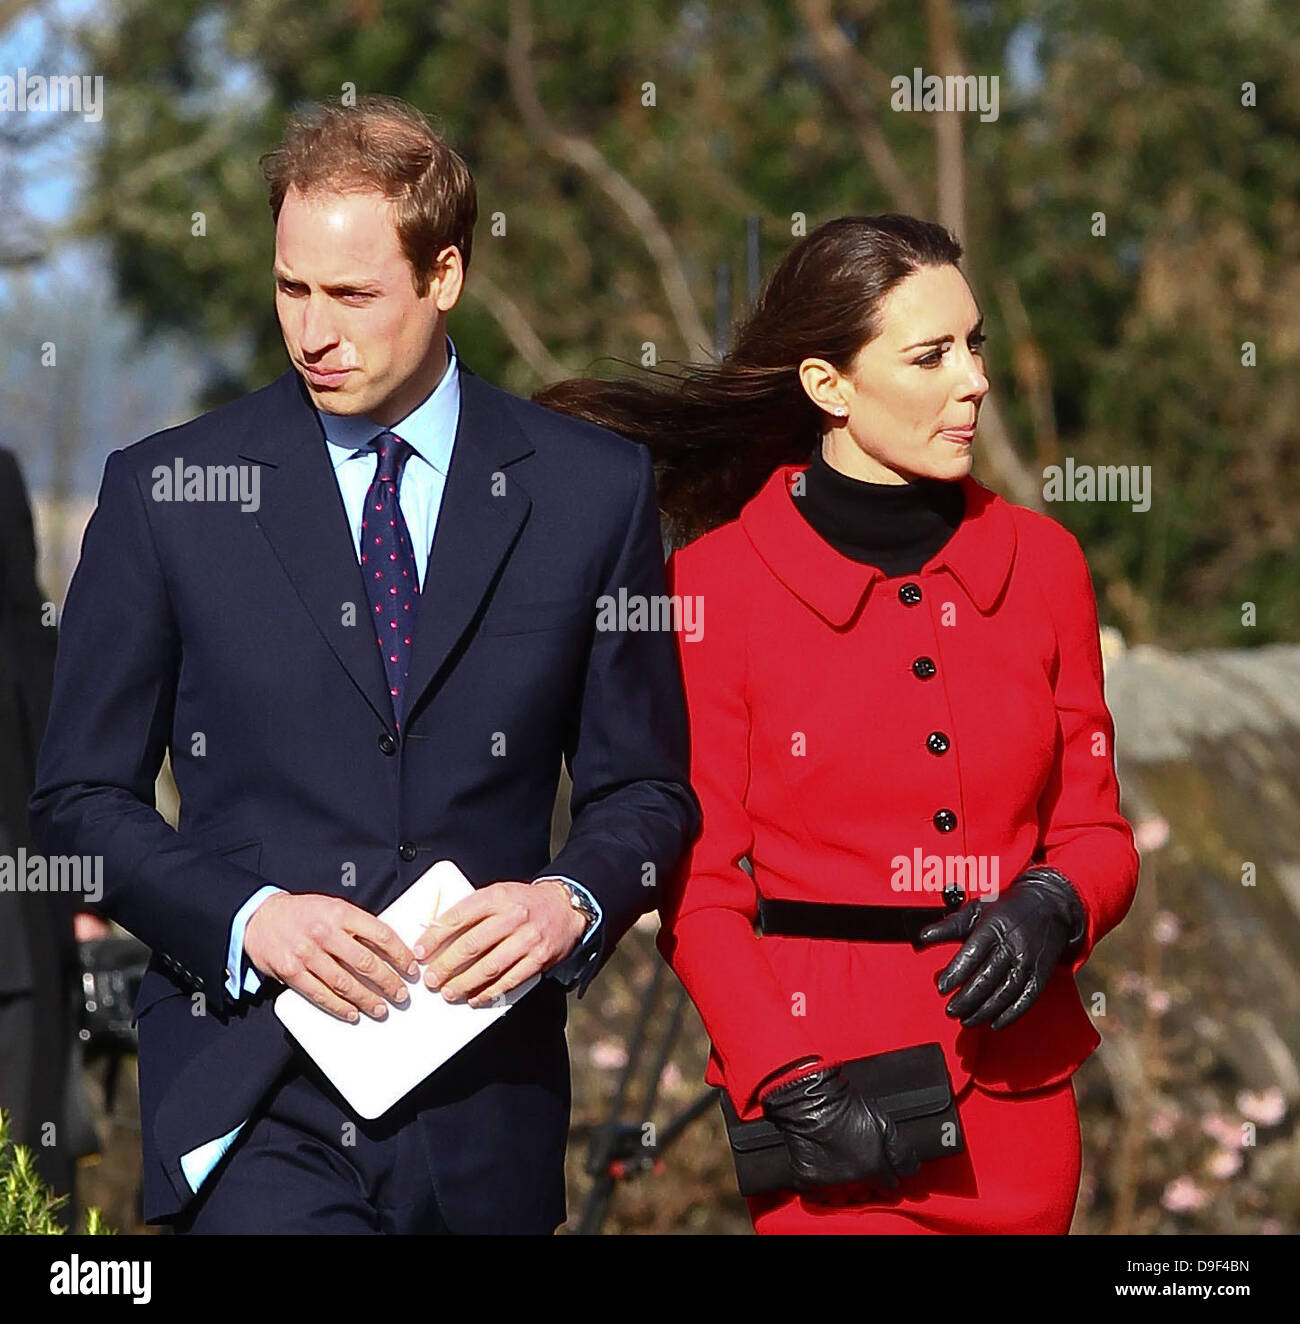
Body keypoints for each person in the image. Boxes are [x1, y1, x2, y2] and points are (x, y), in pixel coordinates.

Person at [29, 94, 699, 1235]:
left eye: (351, 295)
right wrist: (250, 920)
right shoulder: (168, 493)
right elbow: (77, 803)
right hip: (254, 1090)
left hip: (488, 1109)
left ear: (445, 275)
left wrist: (567, 902)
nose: (311, 332)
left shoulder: (593, 492)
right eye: (291, 288)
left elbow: (646, 789)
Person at [536, 214, 1140, 1234]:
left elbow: (1096, 833)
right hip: (830, 1107)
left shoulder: (1045, 565)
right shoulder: (713, 591)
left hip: (1021, 1109)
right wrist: (786, 1078)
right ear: (829, 385)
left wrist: (1054, 901)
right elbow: (703, 890)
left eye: (975, 344)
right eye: (930, 355)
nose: (974, 380)